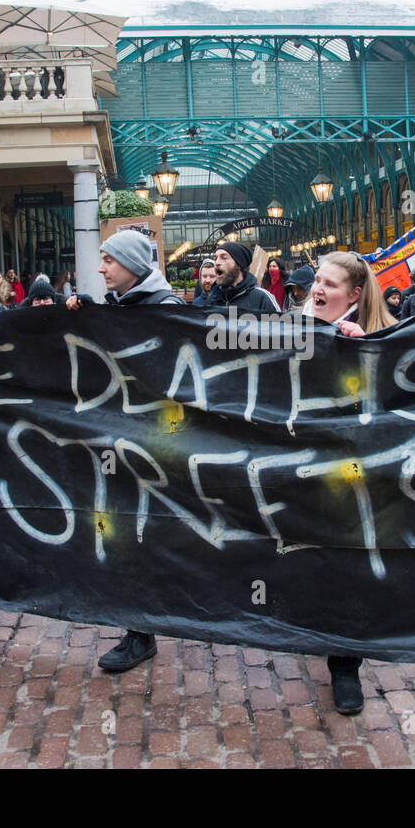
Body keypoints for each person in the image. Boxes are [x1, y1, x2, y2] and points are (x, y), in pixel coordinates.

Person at [65, 230, 184, 672]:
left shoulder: (167, 311)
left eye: (109, 260)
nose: (101, 269)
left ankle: (159, 620)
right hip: (121, 446)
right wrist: (81, 320)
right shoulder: (117, 309)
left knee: (151, 536)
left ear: (133, 264)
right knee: (128, 538)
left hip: (159, 448)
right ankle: (140, 631)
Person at [295, 252, 398, 714]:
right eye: (317, 280)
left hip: (349, 482)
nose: (318, 289)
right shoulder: (290, 328)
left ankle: (344, 666)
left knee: (345, 569)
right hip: (293, 474)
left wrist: (363, 353)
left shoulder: (377, 337)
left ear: (354, 295)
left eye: (331, 285)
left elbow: (395, 410)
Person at [203, 242, 280, 312]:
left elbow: (281, 326)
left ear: (239, 264)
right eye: (215, 258)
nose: (217, 263)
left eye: (224, 257)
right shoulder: (212, 299)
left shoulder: (262, 298)